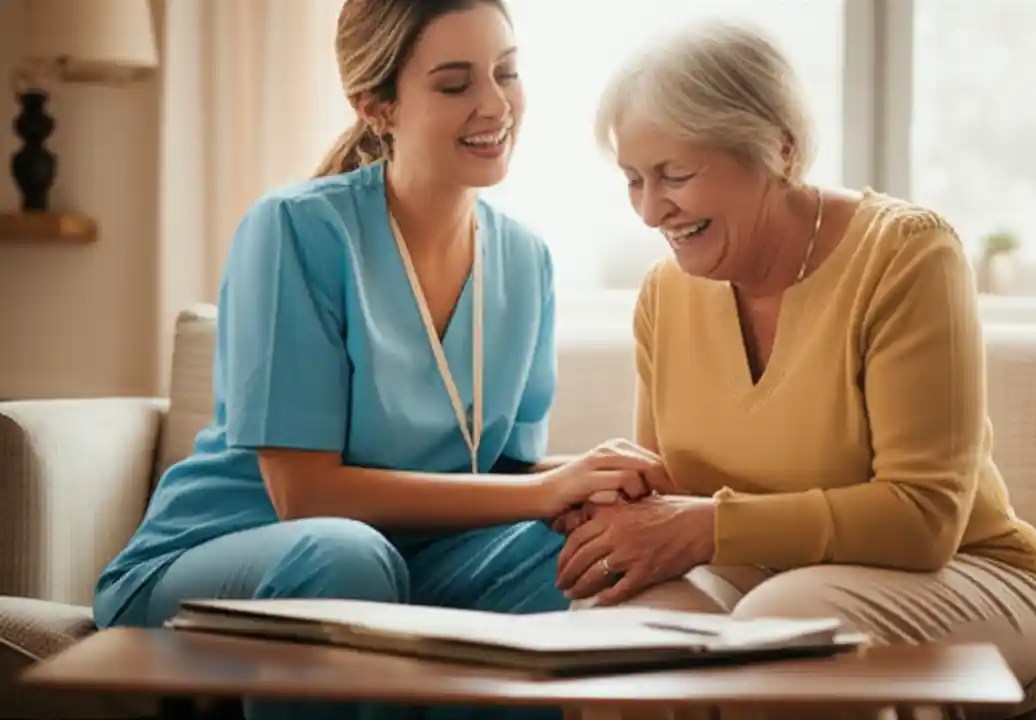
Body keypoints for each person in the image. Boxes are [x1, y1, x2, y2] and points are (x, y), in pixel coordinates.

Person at [93, 1, 658, 718]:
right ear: (376, 106)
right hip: (237, 552)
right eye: (454, 84)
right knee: (345, 556)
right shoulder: (296, 229)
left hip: (417, 557)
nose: (494, 104)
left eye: (507, 73)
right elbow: (304, 495)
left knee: (577, 555)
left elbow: (504, 475)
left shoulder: (526, 259)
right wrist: (542, 492)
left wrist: (599, 482)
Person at [553, 20, 1036, 719]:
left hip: (963, 573)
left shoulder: (906, 254)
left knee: (783, 626)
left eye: (675, 176)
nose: (650, 211)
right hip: (760, 577)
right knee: (618, 634)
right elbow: (680, 494)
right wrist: (619, 500)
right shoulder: (664, 294)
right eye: (634, 181)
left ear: (780, 148)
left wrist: (707, 526)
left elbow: (924, 519)